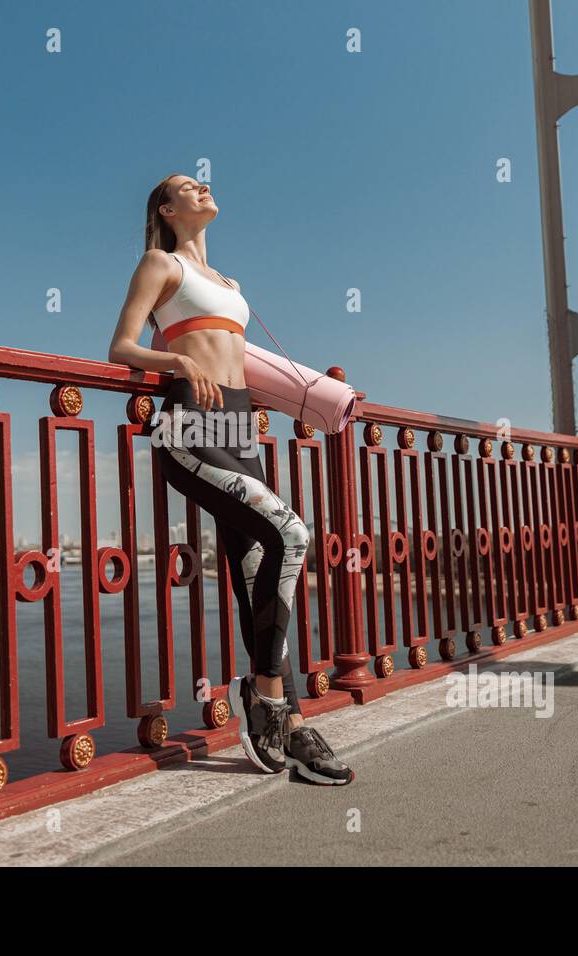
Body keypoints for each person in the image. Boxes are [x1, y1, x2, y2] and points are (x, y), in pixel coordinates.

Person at [108, 173, 353, 785]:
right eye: (188, 186)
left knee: (255, 577)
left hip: (241, 431)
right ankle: (267, 698)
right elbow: (121, 346)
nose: (204, 187)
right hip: (189, 429)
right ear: (167, 208)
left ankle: (290, 727)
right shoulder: (159, 264)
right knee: (292, 535)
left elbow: (239, 354)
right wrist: (179, 359)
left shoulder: (229, 284)